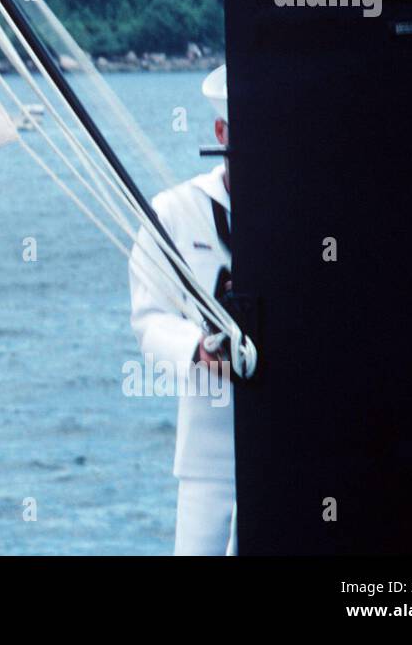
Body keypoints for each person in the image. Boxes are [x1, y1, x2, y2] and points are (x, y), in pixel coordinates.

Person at [128, 64, 235, 555]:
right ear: (220, 132)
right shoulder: (175, 210)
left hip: (300, 444)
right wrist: (197, 348)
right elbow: (149, 319)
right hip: (209, 457)